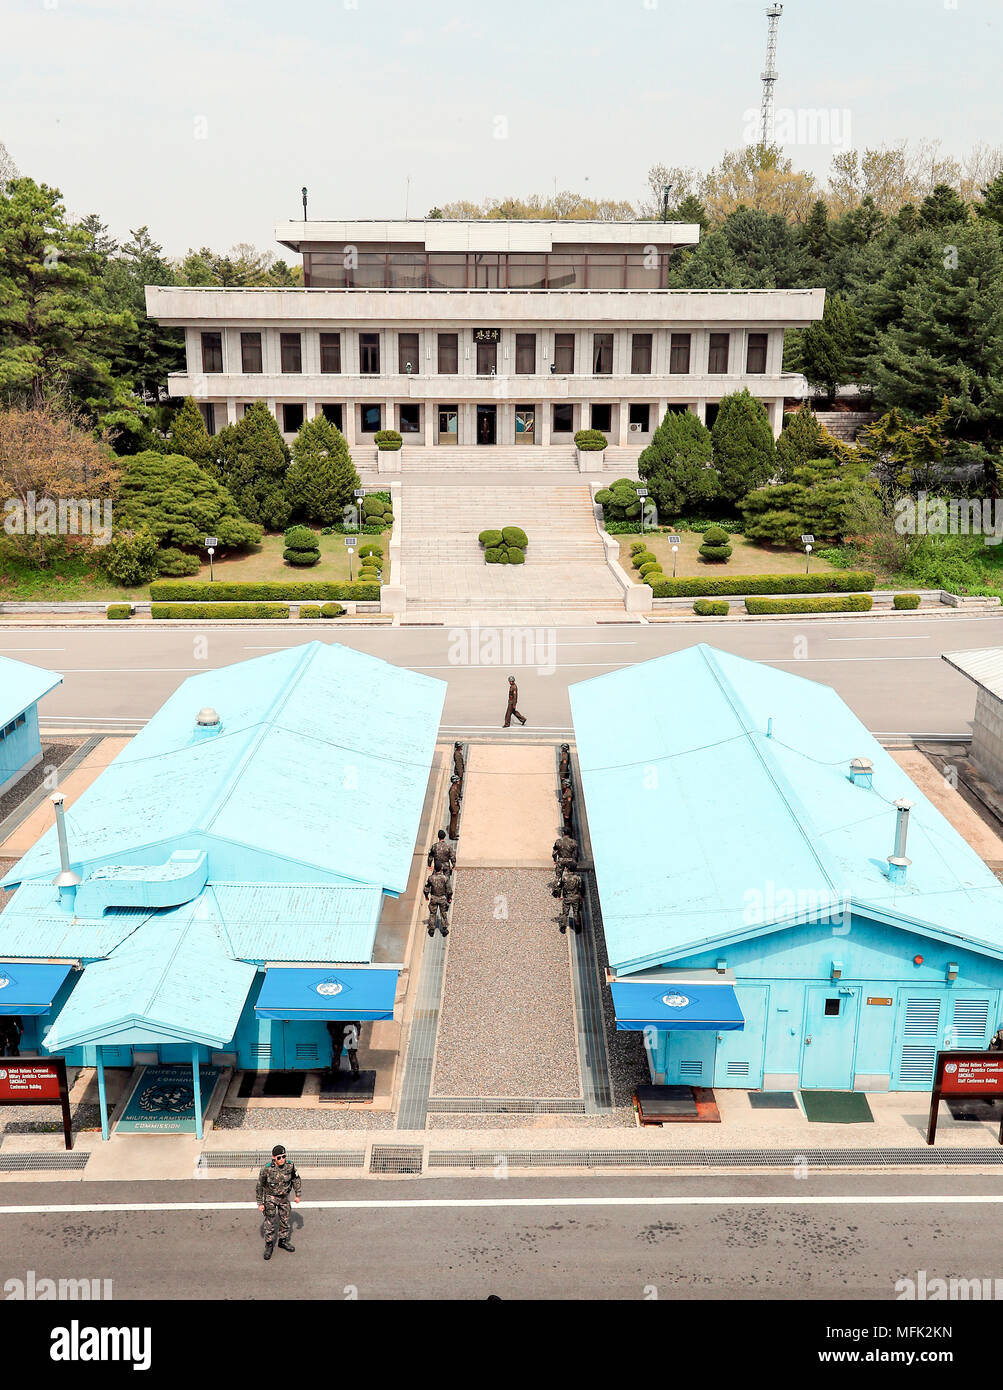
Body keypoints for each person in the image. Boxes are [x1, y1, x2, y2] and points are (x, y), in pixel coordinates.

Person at [256, 1144, 301, 1260]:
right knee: (270, 1222)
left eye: (283, 1156)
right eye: (279, 1157)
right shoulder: (266, 1169)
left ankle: (283, 1240)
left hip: (284, 1197)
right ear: (273, 1157)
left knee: (285, 1219)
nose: (282, 1160)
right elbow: (259, 1185)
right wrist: (260, 1203)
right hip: (270, 1197)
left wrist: (298, 1194)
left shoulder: (290, 1166)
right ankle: (269, 1244)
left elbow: (296, 1179)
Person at [424, 867, 452, 937]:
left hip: (434, 898)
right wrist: (449, 898)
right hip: (442, 898)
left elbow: (427, 888)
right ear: (441, 869)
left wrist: (426, 896)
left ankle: (431, 929)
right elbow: (449, 890)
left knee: (432, 913)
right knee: (443, 913)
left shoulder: (430, 878)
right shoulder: (445, 878)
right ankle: (444, 928)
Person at [556, 868, 583, 935]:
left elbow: (560, 886)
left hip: (567, 897)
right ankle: (578, 928)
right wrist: (581, 896)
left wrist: (559, 895)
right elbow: (581, 888)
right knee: (576, 912)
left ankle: (563, 927)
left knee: (565, 913)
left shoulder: (564, 878)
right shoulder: (578, 878)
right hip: (575, 897)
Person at [448, 774, 462, 839]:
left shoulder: (455, 788)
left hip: (456, 807)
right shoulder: (452, 791)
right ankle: (452, 835)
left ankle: (454, 833)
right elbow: (452, 801)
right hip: (454, 808)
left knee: (455, 822)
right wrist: (454, 810)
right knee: (453, 822)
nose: (459, 781)